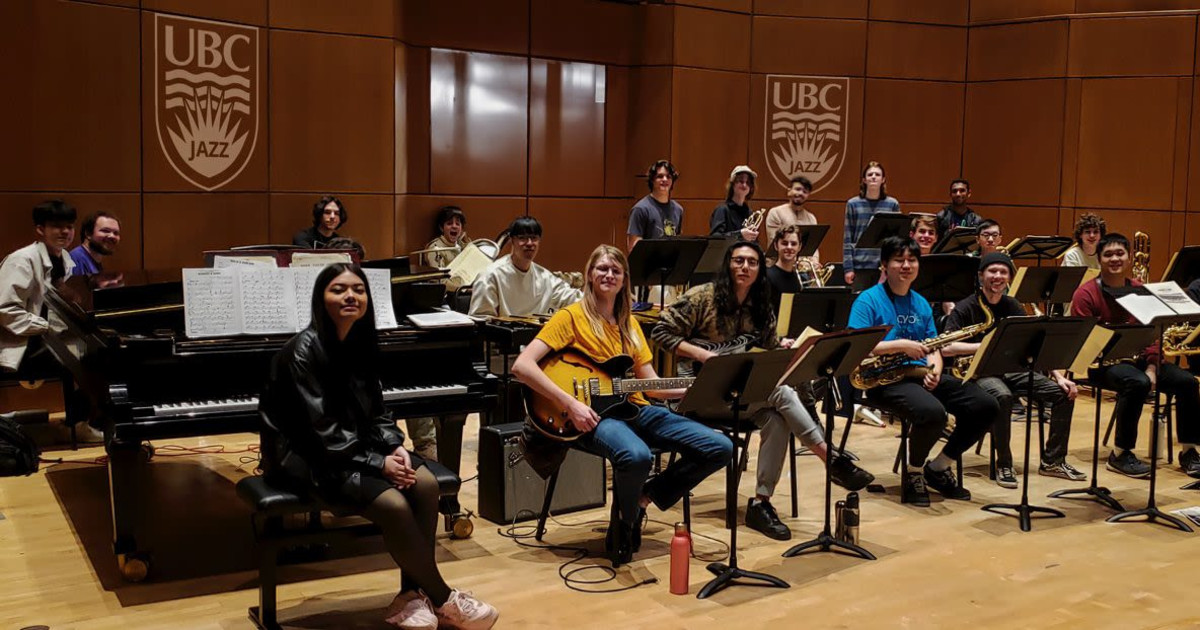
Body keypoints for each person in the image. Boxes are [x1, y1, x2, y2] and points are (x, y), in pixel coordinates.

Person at [259, 264, 498, 630]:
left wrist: (394, 446)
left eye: (358, 289)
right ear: (320, 298)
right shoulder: (302, 352)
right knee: (392, 503)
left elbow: (378, 409)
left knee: (428, 484)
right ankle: (442, 598)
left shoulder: (359, 343)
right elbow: (320, 432)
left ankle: (410, 596)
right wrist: (378, 463)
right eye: (338, 290)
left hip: (353, 448)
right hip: (304, 456)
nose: (350, 296)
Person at [512, 245, 732, 562]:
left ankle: (643, 499)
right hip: (590, 417)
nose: (609, 275)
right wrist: (570, 404)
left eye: (616, 270)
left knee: (719, 446)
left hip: (636, 408)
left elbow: (652, 385)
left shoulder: (629, 324)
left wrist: (690, 388)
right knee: (636, 455)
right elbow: (522, 366)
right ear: (589, 274)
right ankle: (625, 525)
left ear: (624, 280)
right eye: (602, 268)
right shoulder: (570, 317)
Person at [654, 240, 872, 540]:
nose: (745, 267)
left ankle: (761, 502)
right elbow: (660, 332)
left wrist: (782, 347)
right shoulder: (701, 298)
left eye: (752, 262)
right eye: (738, 260)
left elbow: (767, 353)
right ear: (728, 264)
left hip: (742, 394)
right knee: (779, 393)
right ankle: (829, 458)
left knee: (776, 417)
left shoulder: (760, 306)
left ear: (760, 268)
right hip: (700, 394)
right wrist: (703, 355)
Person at [847, 236, 997, 506]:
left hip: (919, 374)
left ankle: (938, 468)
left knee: (985, 405)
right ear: (884, 264)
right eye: (898, 260)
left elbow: (934, 347)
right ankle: (914, 472)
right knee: (932, 413)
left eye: (912, 260)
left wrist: (936, 369)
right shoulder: (867, 300)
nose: (906, 265)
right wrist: (901, 345)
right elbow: (858, 345)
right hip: (881, 380)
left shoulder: (921, 303)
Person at [942, 252, 1084, 488]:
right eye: (992, 271)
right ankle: (1003, 464)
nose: (997, 276)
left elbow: (1033, 346)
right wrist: (986, 346)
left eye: (1003, 272)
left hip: (1010, 369)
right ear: (981, 275)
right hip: (979, 372)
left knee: (1063, 394)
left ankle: (1053, 461)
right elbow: (946, 347)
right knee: (1003, 397)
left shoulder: (1012, 305)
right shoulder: (966, 307)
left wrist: (1059, 376)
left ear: (1009, 277)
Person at [1070, 233, 1200, 479]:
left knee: (1187, 382)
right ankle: (1120, 454)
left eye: (1120, 253)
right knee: (1136, 383)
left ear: (1129, 258)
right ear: (1099, 259)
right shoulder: (1086, 294)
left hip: (1142, 362)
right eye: (1108, 254)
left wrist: (1152, 367)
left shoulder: (1140, 290)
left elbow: (1154, 335)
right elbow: (1083, 341)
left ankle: (1190, 452)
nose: (1115, 258)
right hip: (1104, 364)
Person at [0, 200, 76, 374]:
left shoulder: (64, 258)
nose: (65, 232)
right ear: (41, 229)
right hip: (20, 349)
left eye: (70, 226)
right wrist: (46, 326)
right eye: (57, 226)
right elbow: (5, 311)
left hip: (46, 342)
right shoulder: (21, 261)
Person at [468, 216, 581, 318]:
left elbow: (571, 297)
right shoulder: (490, 275)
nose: (529, 243)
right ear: (512, 241)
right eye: (523, 238)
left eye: (534, 238)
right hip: (503, 339)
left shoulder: (545, 276)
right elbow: (481, 321)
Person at [843, 161, 900, 286]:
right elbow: (848, 238)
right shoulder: (853, 204)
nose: (873, 177)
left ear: (883, 180)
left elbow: (897, 239)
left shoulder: (892, 204)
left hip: (885, 266)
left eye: (877, 174)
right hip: (860, 267)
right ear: (864, 180)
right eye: (870, 175)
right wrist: (848, 268)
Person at [626, 160, 684, 252]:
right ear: (652, 180)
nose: (665, 179)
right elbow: (634, 248)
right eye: (660, 176)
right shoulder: (640, 209)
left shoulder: (678, 209)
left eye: (668, 176)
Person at [710, 165, 761, 242]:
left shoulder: (749, 212)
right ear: (733, 184)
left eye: (748, 182)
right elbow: (715, 238)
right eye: (741, 181)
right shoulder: (722, 209)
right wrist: (740, 235)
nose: (744, 185)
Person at [765, 175, 817, 248]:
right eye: (798, 189)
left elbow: (813, 247)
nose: (801, 193)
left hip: (804, 259)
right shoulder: (776, 213)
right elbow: (774, 243)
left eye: (805, 191)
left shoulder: (811, 218)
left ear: (808, 195)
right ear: (789, 191)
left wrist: (814, 259)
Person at [69, 211, 121, 275]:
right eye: (105, 231)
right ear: (88, 234)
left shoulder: (93, 260)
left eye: (116, 233)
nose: (112, 236)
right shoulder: (77, 260)